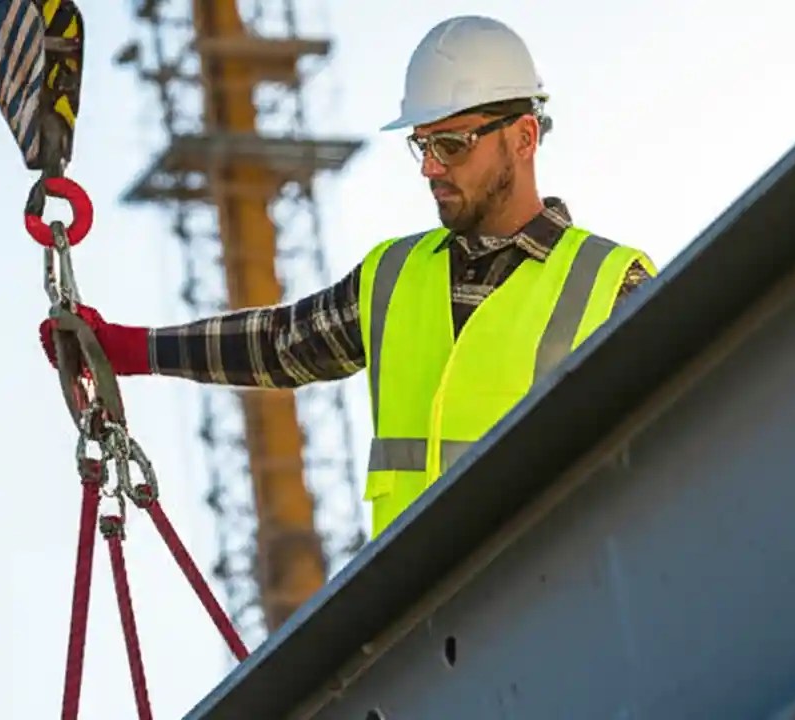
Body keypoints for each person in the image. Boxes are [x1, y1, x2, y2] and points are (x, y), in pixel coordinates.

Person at [40, 15, 658, 538]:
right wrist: (125, 348)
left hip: (560, 592)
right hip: (416, 617)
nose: (431, 169)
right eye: (422, 146)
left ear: (523, 137)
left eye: (453, 145)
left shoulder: (610, 285)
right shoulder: (395, 277)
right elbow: (278, 344)